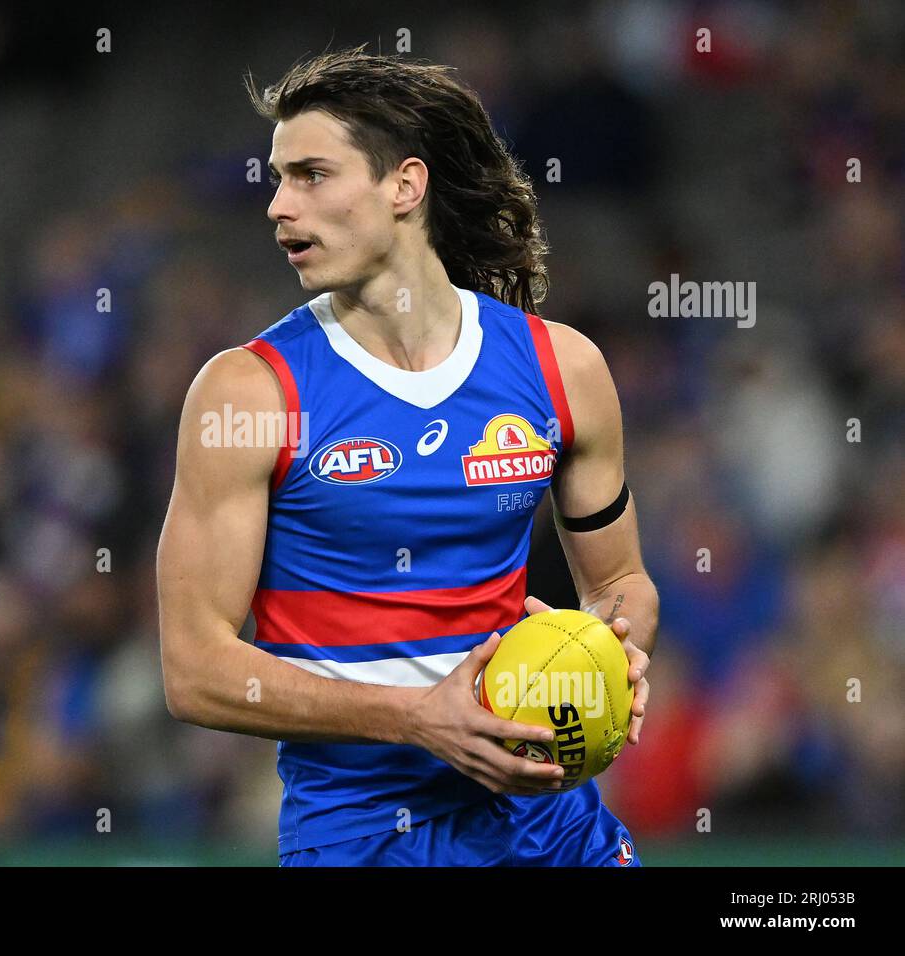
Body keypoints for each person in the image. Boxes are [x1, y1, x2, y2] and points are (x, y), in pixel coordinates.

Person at [157, 46, 658, 866]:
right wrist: (416, 717)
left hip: (552, 823)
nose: (280, 207)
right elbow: (195, 668)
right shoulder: (249, 395)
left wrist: (612, 655)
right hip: (365, 836)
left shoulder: (562, 370)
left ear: (405, 186)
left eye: (312, 174)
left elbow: (619, 584)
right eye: (277, 179)